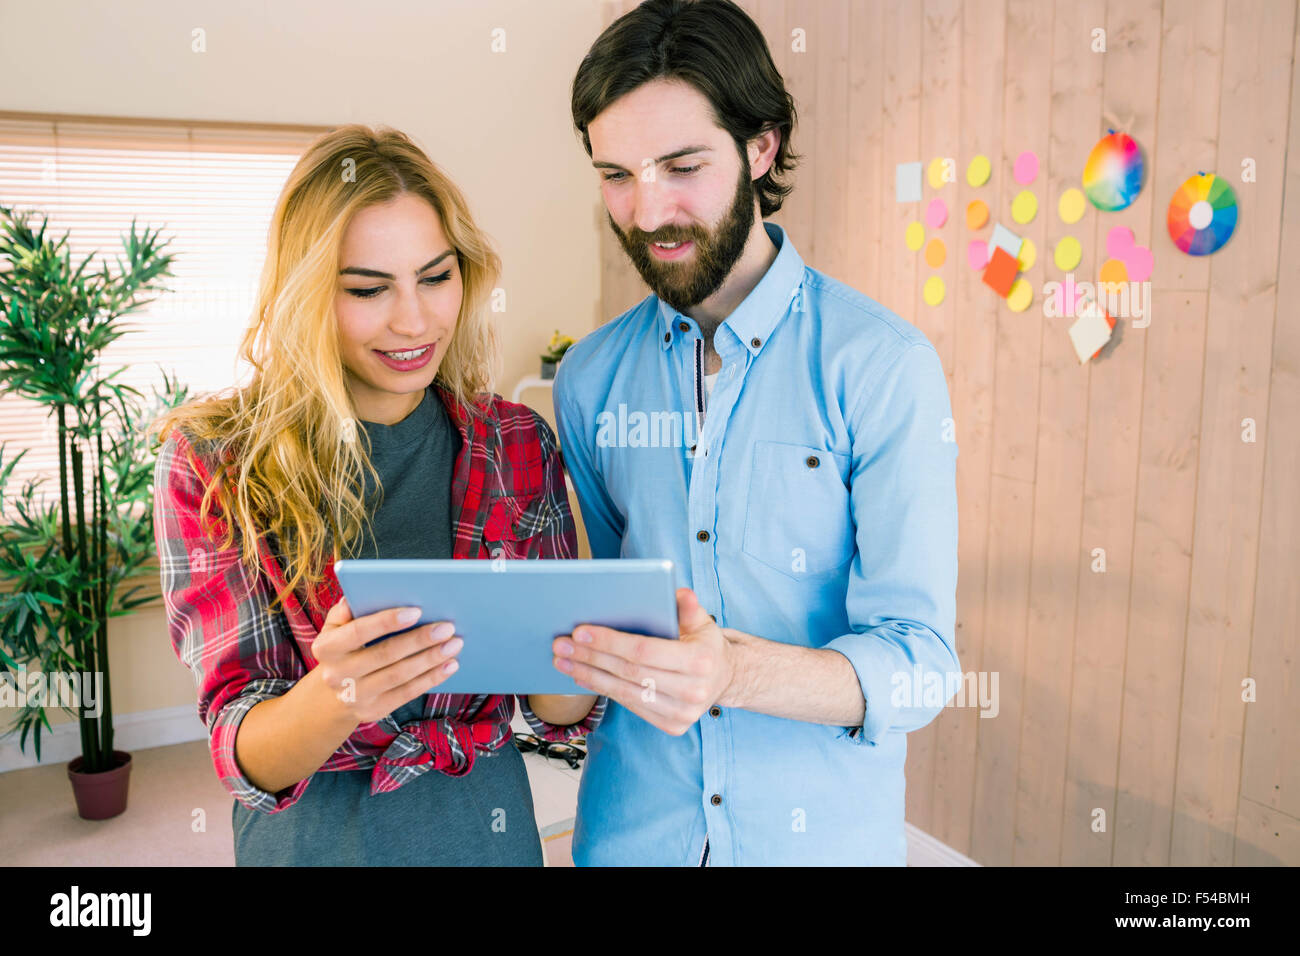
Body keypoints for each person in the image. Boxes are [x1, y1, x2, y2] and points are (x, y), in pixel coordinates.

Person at [549, 0, 960, 865]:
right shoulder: (588, 380)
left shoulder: (882, 366)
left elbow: (920, 663)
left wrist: (732, 672)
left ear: (761, 146)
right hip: (632, 835)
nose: (648, 209)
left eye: (681, 166)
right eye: (616, 174)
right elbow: (601, 609)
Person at [151, 125, 601, 866]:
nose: (415, 320)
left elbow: (556, 716)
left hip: (486, 834)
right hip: (315, 844)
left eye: (435, 276)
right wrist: (337, 695)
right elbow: (245, 751)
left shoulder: (516, 441)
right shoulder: (214, 460)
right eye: (368, 289)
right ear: (305, 293)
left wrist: (575, 654)